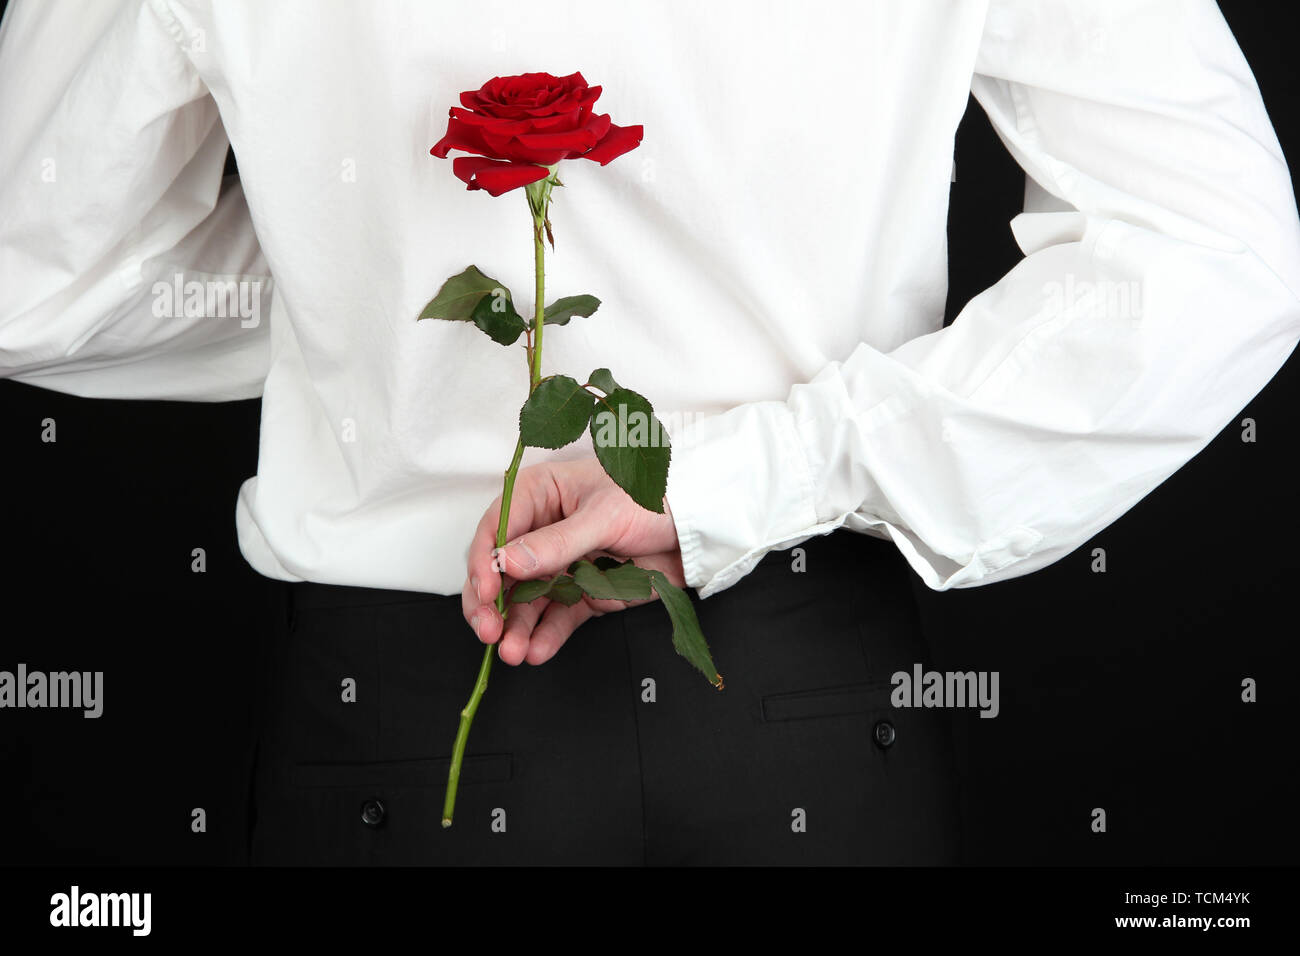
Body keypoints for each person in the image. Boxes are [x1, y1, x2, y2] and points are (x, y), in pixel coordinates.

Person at [2, 0, 1297, 865]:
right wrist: (743, 475)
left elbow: (31, 272)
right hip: (803, 719)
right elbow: (1216, 250)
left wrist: (359, 303)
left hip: (403, 737)